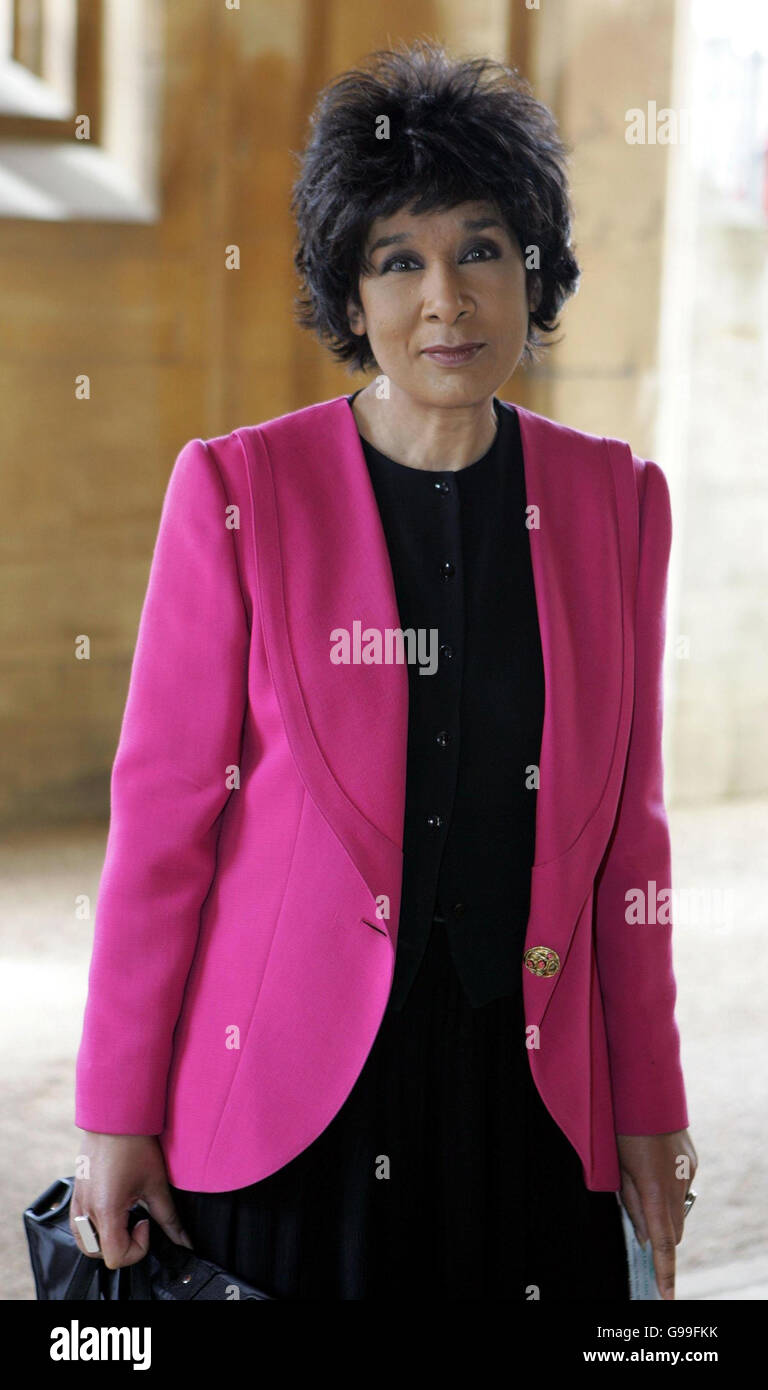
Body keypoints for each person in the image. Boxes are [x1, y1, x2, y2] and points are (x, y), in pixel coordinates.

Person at [71, 38, 697, 1301]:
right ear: (349, 299)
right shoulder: (240, 490)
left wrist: (649, 1101)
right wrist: (114, 1111)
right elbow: (162, 827)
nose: (445, 302)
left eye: (479, 249)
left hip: (527, 1096)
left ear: (535, 271)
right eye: (397, 261)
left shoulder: (614, 502)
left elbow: (629, 840)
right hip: (298, 1097)